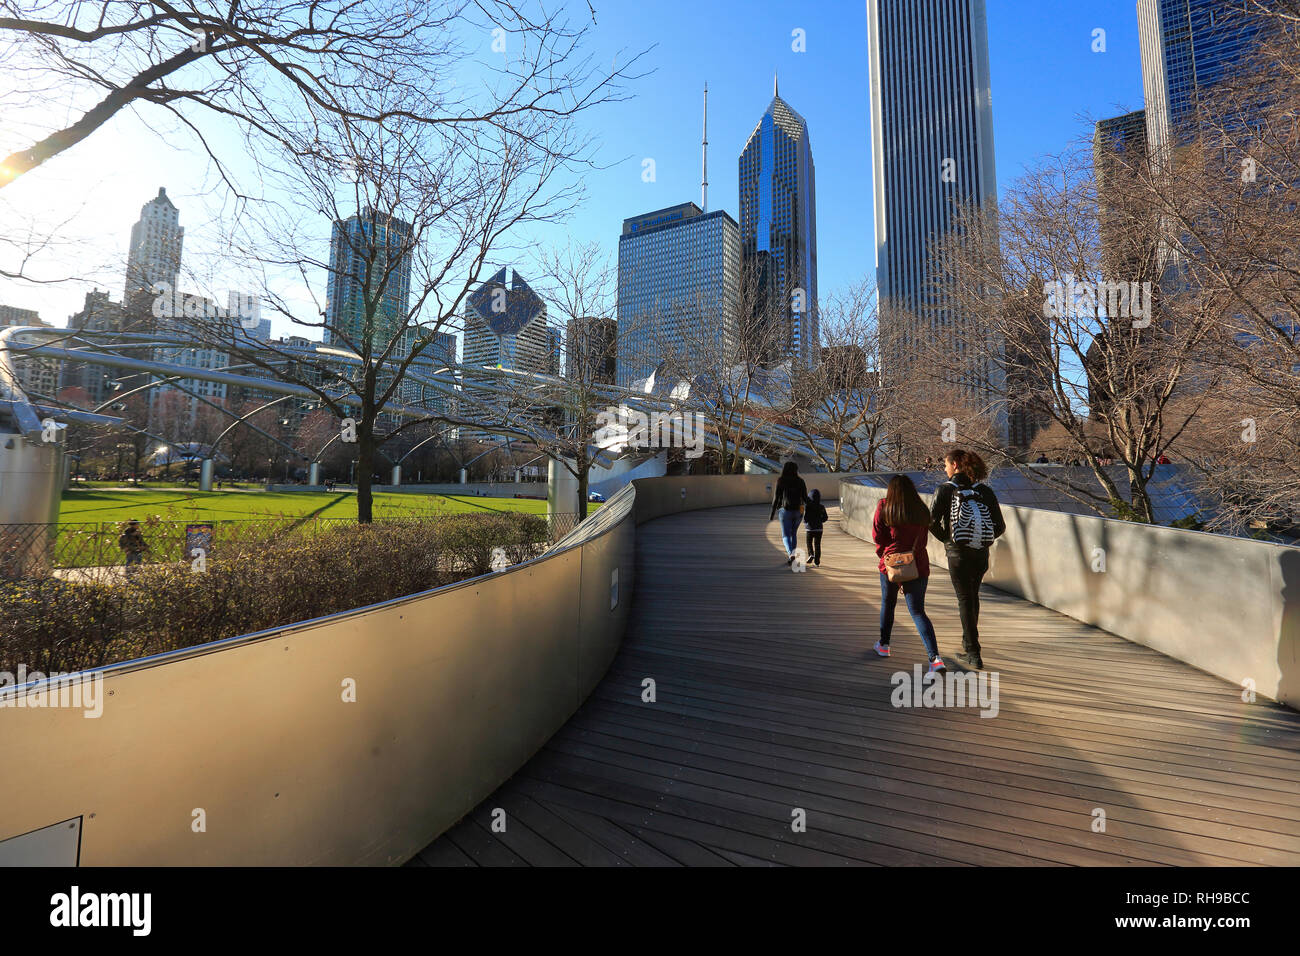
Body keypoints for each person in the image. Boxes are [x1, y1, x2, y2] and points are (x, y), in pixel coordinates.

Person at [930, 449, 1005, 670]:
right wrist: (982, 542)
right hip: (980, 555)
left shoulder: (945, 490)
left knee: (964, 599)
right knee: (972, 596)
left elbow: (931, 521)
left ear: (955, 464)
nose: (944, 469)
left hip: (958, 555)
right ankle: (969, 644)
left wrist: (949, 540)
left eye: (946, 464)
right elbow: (1000, 526)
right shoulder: (985, 491)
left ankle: (973, 651)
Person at [872, 475, 944, 672]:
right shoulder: (921, 509)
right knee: (918, 611)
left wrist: (885, 556)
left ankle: (884, 645)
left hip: (891, 565)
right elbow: (922, 540)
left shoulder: (885, 506)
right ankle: (935, 659)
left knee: (888, 604)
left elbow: (878, 537)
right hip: (918, 565)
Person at [768, 461, 808, 566]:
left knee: (786, 534)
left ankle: (791, 554)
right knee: (793, 533)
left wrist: (772, 514)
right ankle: (793, 553)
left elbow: (776, 498)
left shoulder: (781, 481)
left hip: (786, 510)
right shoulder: (800, 481)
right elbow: (805, 498)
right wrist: (811, 510)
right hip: (799, 510)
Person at [804, 488, 829, 567]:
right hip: (819, 528)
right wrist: (820, 521)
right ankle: (817, 562)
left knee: (809, 542)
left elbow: (805, 518)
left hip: (809, 528)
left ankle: (811, 554)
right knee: (817, 544)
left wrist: (805, 522)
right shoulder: (822, 507)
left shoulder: (807, 506)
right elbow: (825, 517)